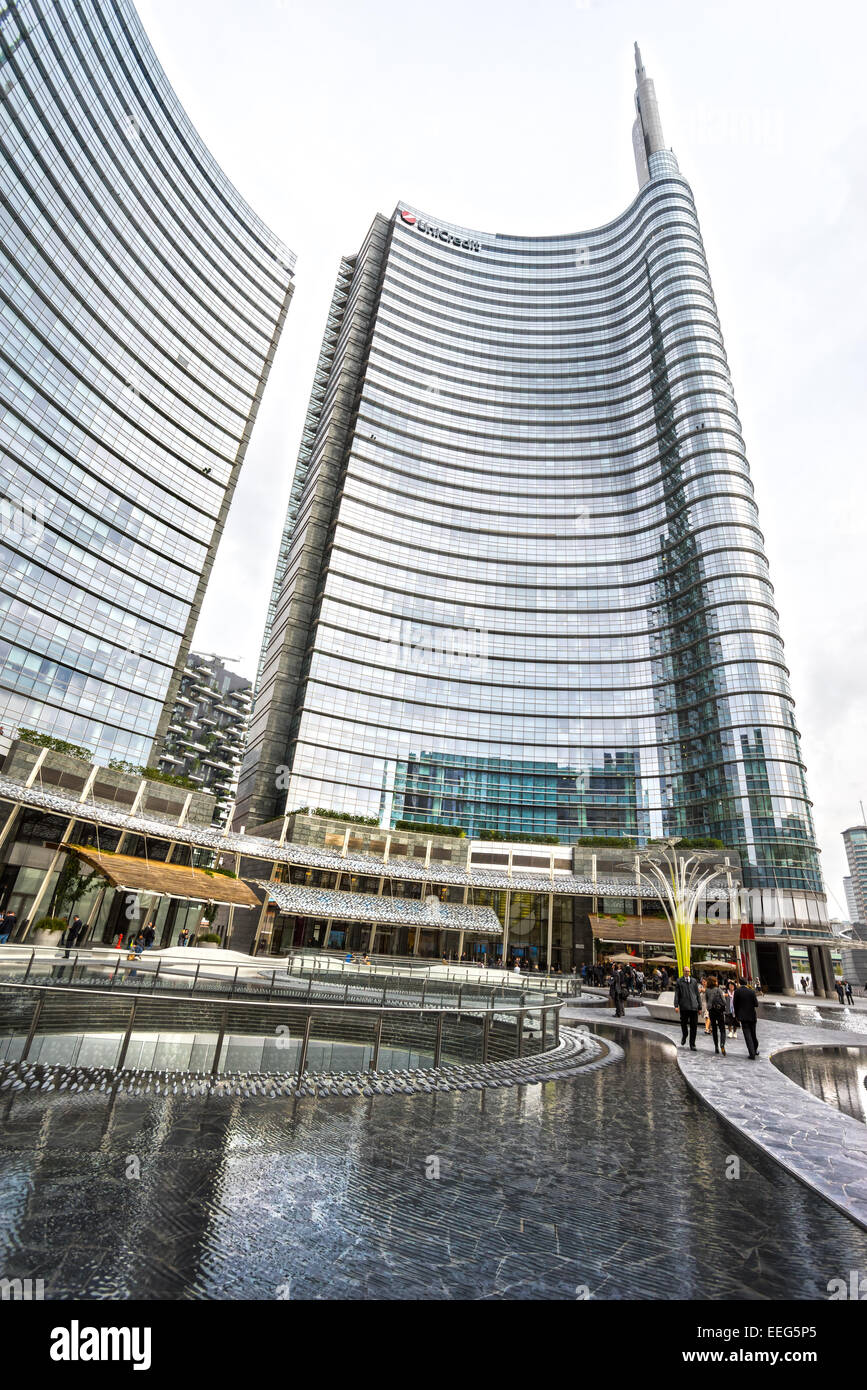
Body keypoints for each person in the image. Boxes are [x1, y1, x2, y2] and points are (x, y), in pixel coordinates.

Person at [673, 967, 701, 1049]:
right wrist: (676, 1005)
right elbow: (677, 994)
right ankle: (685, 1035)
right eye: (685, 971)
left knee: (694, 1026)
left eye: (688, 971)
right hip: (684, 1007)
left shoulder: (694, 981)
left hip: (694, 1007)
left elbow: (697, 994)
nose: (687, 973)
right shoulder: (679, 981)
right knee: (683, 1023)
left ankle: (692, 1044)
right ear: (683, 971)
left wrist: (699, 1007)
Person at [733, 977, 759, 1059]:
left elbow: (735, 1005)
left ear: (740, 983)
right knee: (753, 1034)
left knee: (747, 1035)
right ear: (746, 983)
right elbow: (756, 1004)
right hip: (752, 1016)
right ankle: (755, 1050)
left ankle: (752, 1053)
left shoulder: (737, 991)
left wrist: (737, 1016)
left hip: (743, 1017)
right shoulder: (751, 991)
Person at [705, 974, 727, 1055]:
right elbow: (724, 1002)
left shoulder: (707, 990)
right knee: (722, 1029)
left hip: (711, 1011)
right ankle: (722, 1044)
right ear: (714, 982)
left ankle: (716, 1047)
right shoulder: (719, 989)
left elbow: (707, 1002)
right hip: (719, 1011)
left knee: (714, 1029)